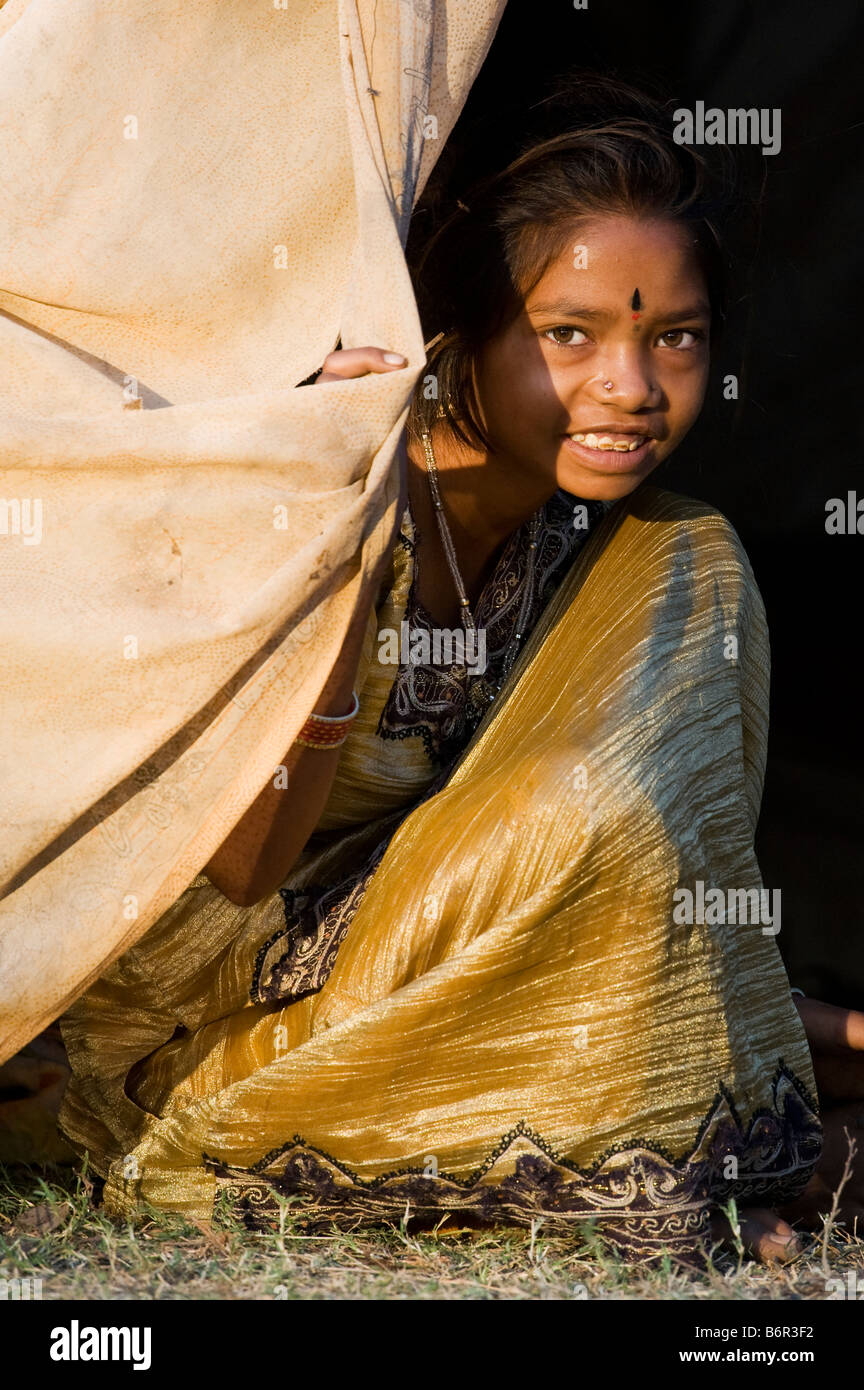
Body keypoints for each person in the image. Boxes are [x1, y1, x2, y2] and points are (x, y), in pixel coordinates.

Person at [55, 77, 862, 1265]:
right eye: (568, 334)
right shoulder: (325, 497)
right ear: (460, 328)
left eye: (673, 337)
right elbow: (242, 865)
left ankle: (729, 1110)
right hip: (225, 1050)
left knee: (693, 555)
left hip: (477, 997)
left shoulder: (620, 560)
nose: (630, 389)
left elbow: (608, 897)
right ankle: (721, 1151)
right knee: (580, 807)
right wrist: (330, 546)